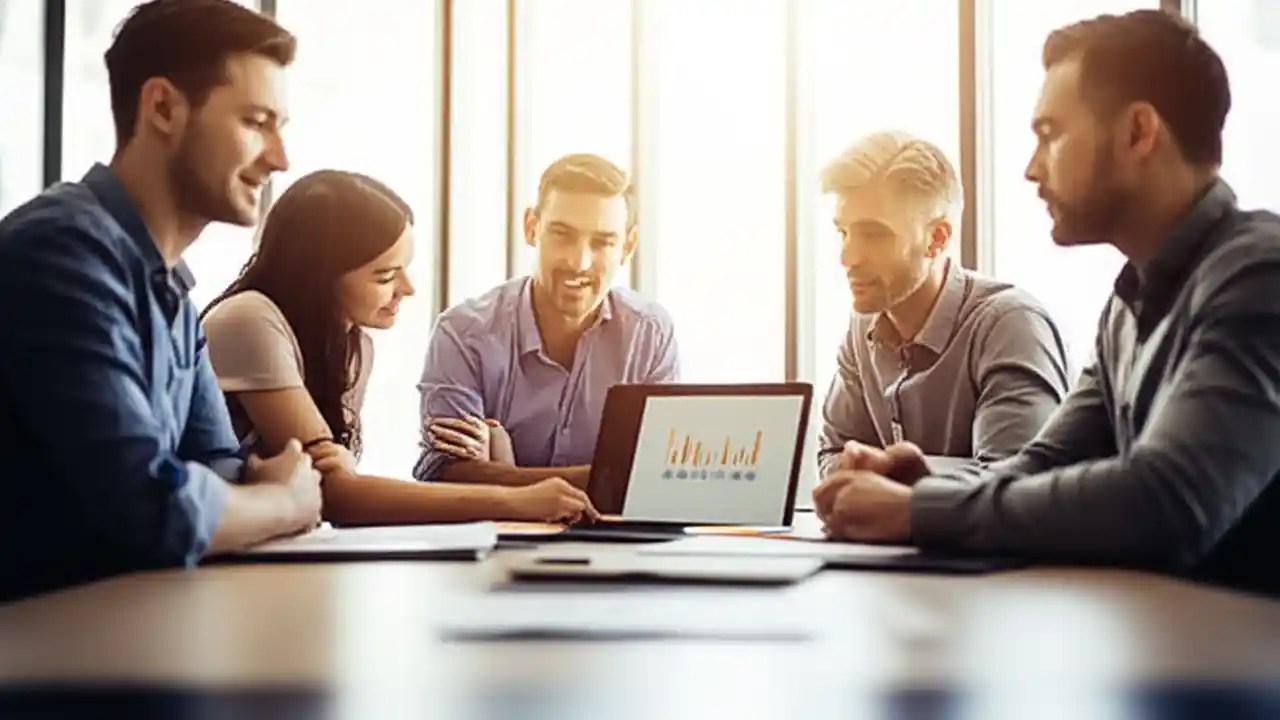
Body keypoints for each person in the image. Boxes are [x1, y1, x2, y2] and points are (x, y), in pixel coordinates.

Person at [814, 10, 1280, 595]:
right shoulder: (1126, 310)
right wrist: (923, 486)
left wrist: (917, 511)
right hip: (1172, 633)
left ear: (1138, 132)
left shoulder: (1260, 275)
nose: (1032, 169)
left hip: (1246, 647)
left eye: (1050, 134)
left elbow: (1169, 499)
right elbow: (1040, 465)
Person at [0, 0, 320, 601]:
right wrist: (287, 501)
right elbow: (153, 509)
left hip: (117, 625)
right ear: (163, 108)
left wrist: (251, 496)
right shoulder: (61, 253)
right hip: (35, 640)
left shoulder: (168, 285)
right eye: (256, 122)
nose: (279, 158)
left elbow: (223, 472)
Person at [202, 170, 598, 524]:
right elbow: (336, 493)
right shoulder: (249, 320)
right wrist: (518, 500)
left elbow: (336, 481)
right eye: (385, 276)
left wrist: (500, 463)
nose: (407, 289)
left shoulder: (353, 346)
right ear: (321, 275)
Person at [414, 153, 679, 487]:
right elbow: (445, 473)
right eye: (562, 235)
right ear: (531, 227)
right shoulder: (463, 333)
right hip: (497, 526)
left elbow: (655, 477)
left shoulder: (650, 334)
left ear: (628, 246)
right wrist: (603, 478)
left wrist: (505, 474)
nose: (579, 263)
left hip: (607, 527)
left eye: (602, 242)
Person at [817, 131, 1071, 475]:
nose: (847, 258)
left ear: (937, 239)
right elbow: (833, 454)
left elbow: (1015, 482)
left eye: (874, 235)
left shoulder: (1011, 325)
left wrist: (895, 476)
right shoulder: (864, 325)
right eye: (843, 232)